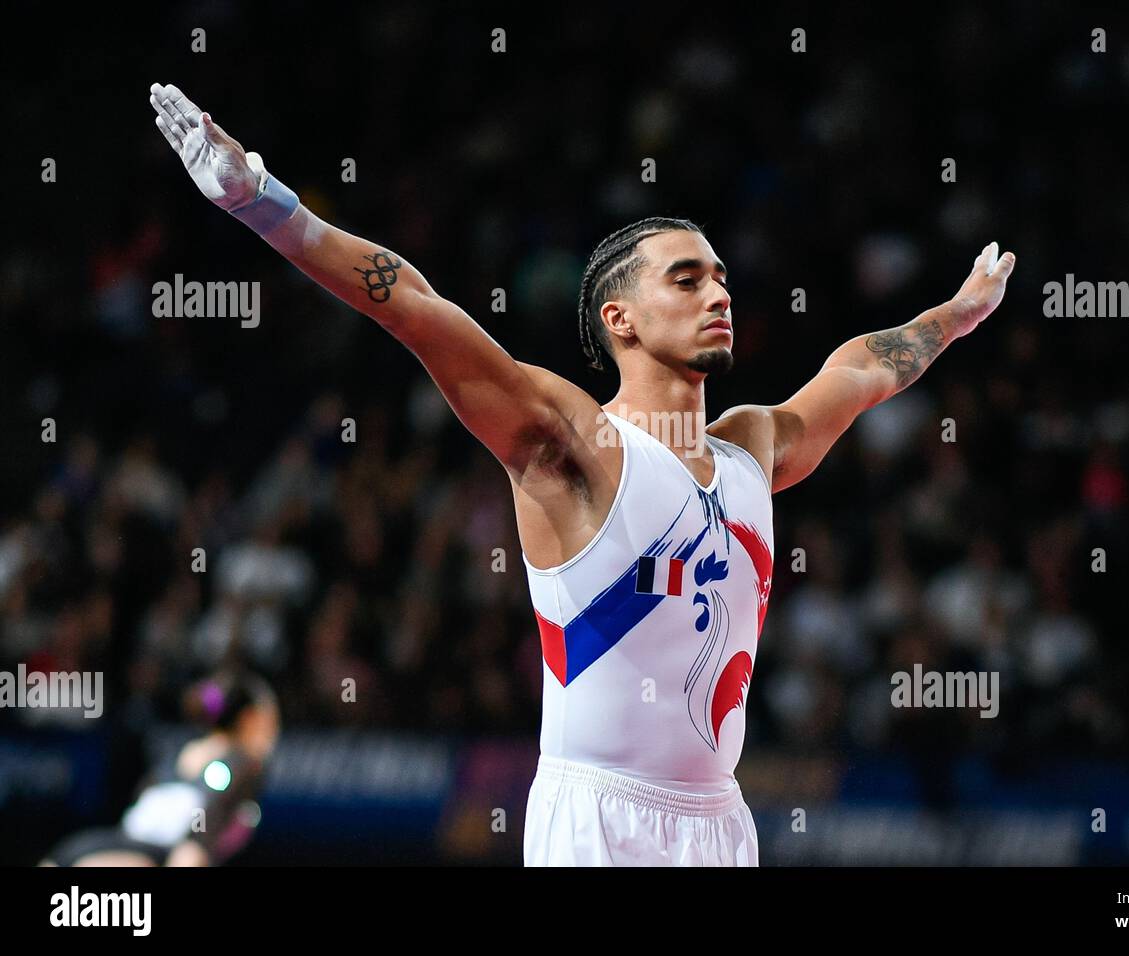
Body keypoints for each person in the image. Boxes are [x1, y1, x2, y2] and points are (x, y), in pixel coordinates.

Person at [147, 82, 1015, 866]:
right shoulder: (575, 445)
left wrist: (955, 315)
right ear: (621, 320)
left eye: (719, 276)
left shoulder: (753, 446)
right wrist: (264, 203)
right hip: (599, 820)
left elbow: (863, 368)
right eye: (687, 279)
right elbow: (415, 308)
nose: (718, 294)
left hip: (721, 824)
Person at [42, 671, 279, 867]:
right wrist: (193, 848)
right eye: (270, 722)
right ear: (250, 719)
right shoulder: (243, 763)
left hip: (108, 841)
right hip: (158, 854)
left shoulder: (184, 750)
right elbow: (205, 815)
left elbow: (146, 796)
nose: (273, 733)